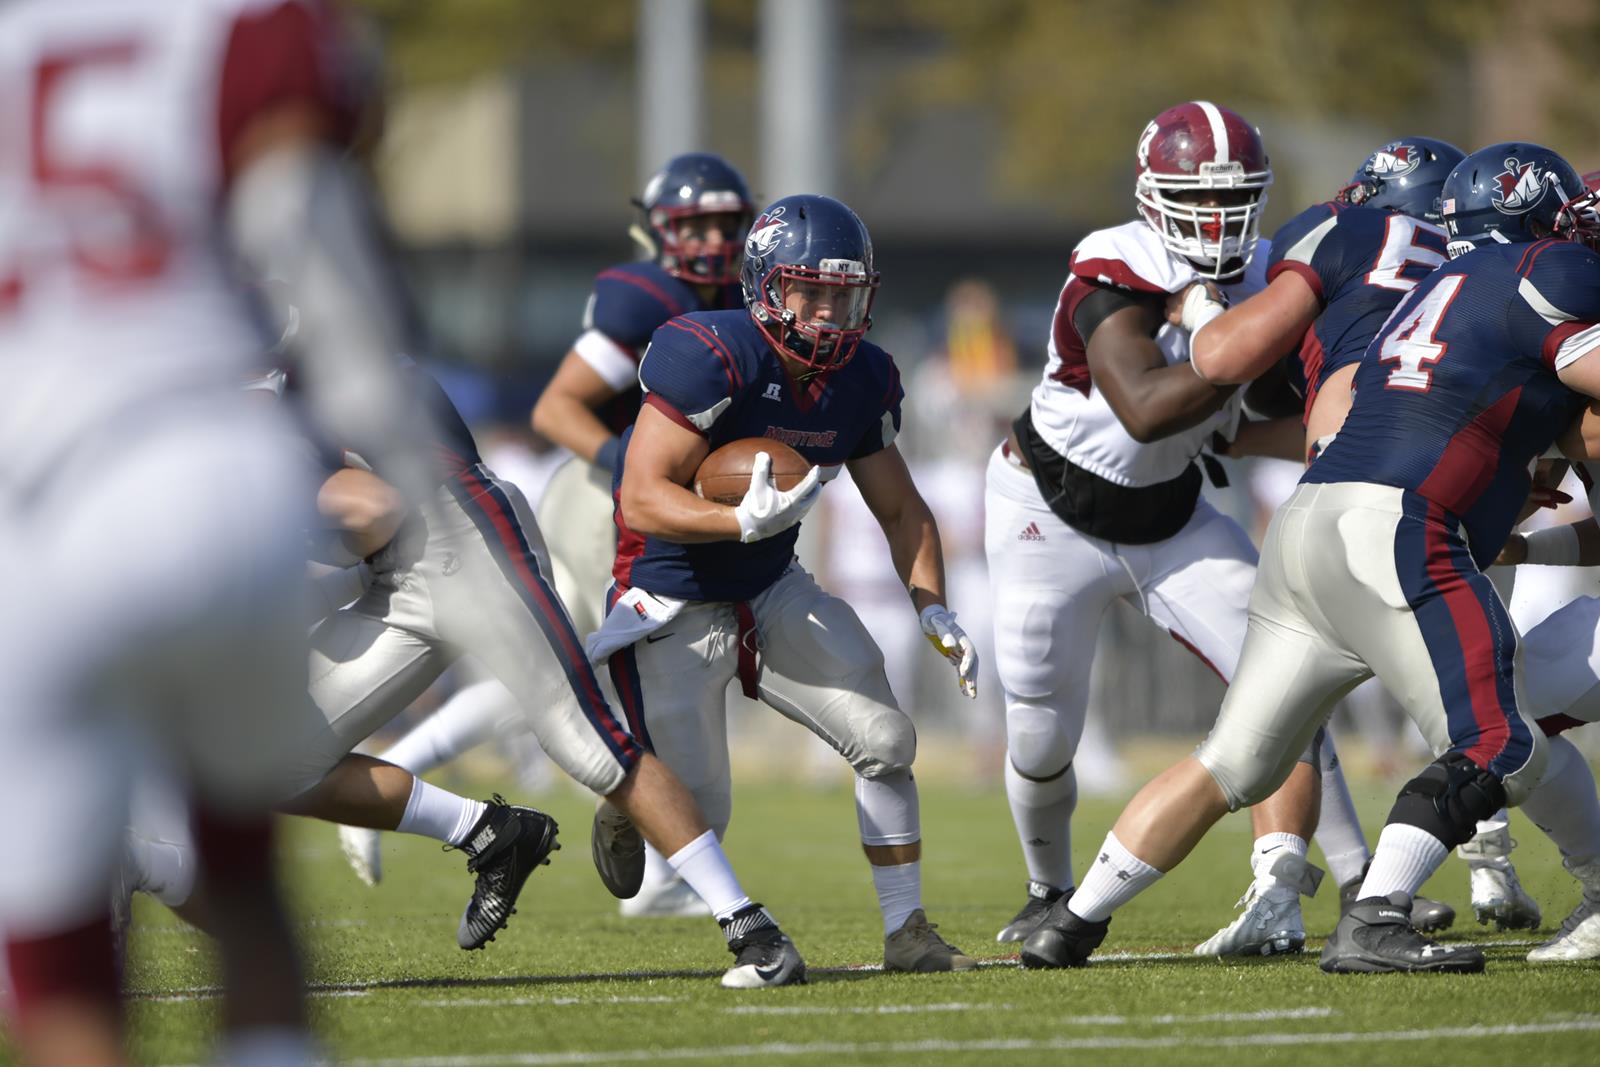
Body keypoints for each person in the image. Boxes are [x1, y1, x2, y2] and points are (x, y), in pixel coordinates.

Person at [1020, 142, 1600, 975]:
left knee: (1232, 761)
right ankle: (1376, 915)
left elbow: (1342, 393)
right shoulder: (1548, 268)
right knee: (1499, 741)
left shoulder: (1427, 287)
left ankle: (1069, 923)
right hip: (1399, 527)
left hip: (1307, 522)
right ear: (1542, 220)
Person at [0, 1, 437, 1063]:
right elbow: (312, 225)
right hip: (214, 457)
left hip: (40, 490)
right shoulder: (249, 26)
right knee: (239, 870)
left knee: (55, 952)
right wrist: (407, 451)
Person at [982, 100, 1373, 958]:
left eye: (1237, 201)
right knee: (1041, 727)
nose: (1220, 221)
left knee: (1288, 677)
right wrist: (1231, 338)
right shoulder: (1113, 267)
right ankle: (1048, 887)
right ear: (1152, 195)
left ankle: (1366, 890)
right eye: (1198, 199)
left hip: (1173, 517)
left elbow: (1247, 419)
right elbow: (1150, 408)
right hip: (1048, 514)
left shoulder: (1271, 270)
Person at [343, 154, 753, 917]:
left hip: (640, 505)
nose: (709, 239)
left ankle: (407, 758)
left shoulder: (745, 299)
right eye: (693, 222)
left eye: (724, 223)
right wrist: (635, 467)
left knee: (557, 674)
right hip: (604, 501)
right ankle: (665, 879)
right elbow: (558, 407)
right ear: (658, 229)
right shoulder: (645, 299)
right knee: (606, 676)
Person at [591, 193, 980, 974]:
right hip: (670, 593)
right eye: (813, 291)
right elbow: (640, 495)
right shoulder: (711, 352)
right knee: (705, 809)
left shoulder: (864, 376)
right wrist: (735, 522)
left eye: (846, 292)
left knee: (885, 737)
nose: (832, 311)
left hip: (772, 586)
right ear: (768, 286)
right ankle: (630, 801)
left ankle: (909, 932)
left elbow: (901, 506)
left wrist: (934, 606)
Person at [1187, 137, 1472, 946]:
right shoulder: (1472, 276)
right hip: (1464, 499)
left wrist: (1198, 307)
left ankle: (1367, 895)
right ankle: (1455, 869)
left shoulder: (1347, 234)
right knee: (1487, 709)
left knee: (1270, 730)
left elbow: (1222, 356)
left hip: (1352, 512)